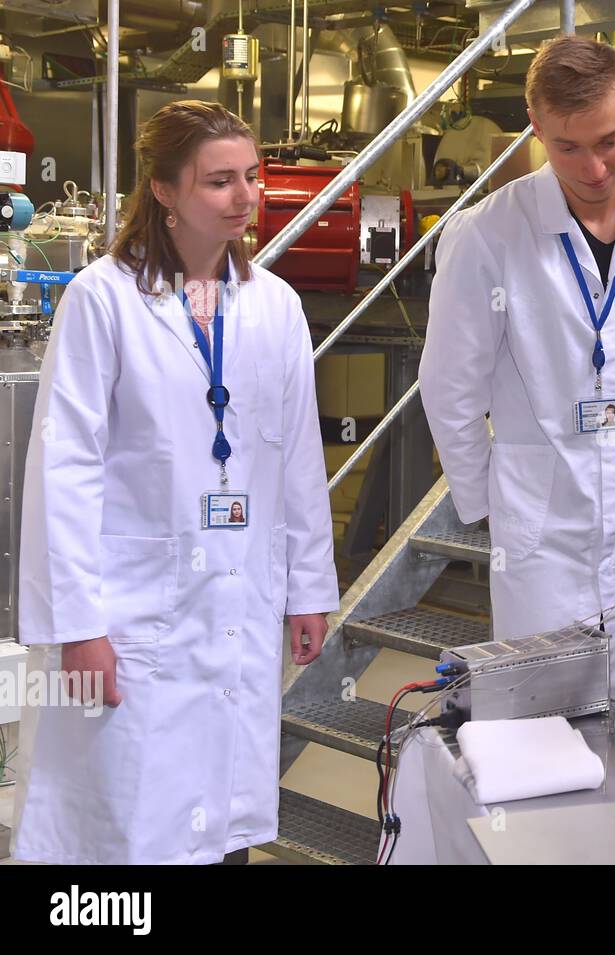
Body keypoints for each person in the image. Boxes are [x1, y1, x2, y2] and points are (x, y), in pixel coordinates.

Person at [11, 100, 338, 865]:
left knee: (222, 815)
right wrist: (77, 626)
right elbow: (65, 466)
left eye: (252, 177)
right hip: (134, 609)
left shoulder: (276, 307)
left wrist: (310, 587)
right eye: (219, 181)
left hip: (237, 594)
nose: (246, 197)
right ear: (162, 190)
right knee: (132, 818)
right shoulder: (103, 298)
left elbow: (296, 458)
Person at [420, 36, 615, 691]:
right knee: (548, 732)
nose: (592, 168)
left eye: (609, 141)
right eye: (568, 147)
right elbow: (450, 389)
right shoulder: (486, 235)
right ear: (536, 129)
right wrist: (493, 505)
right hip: (543, 537)